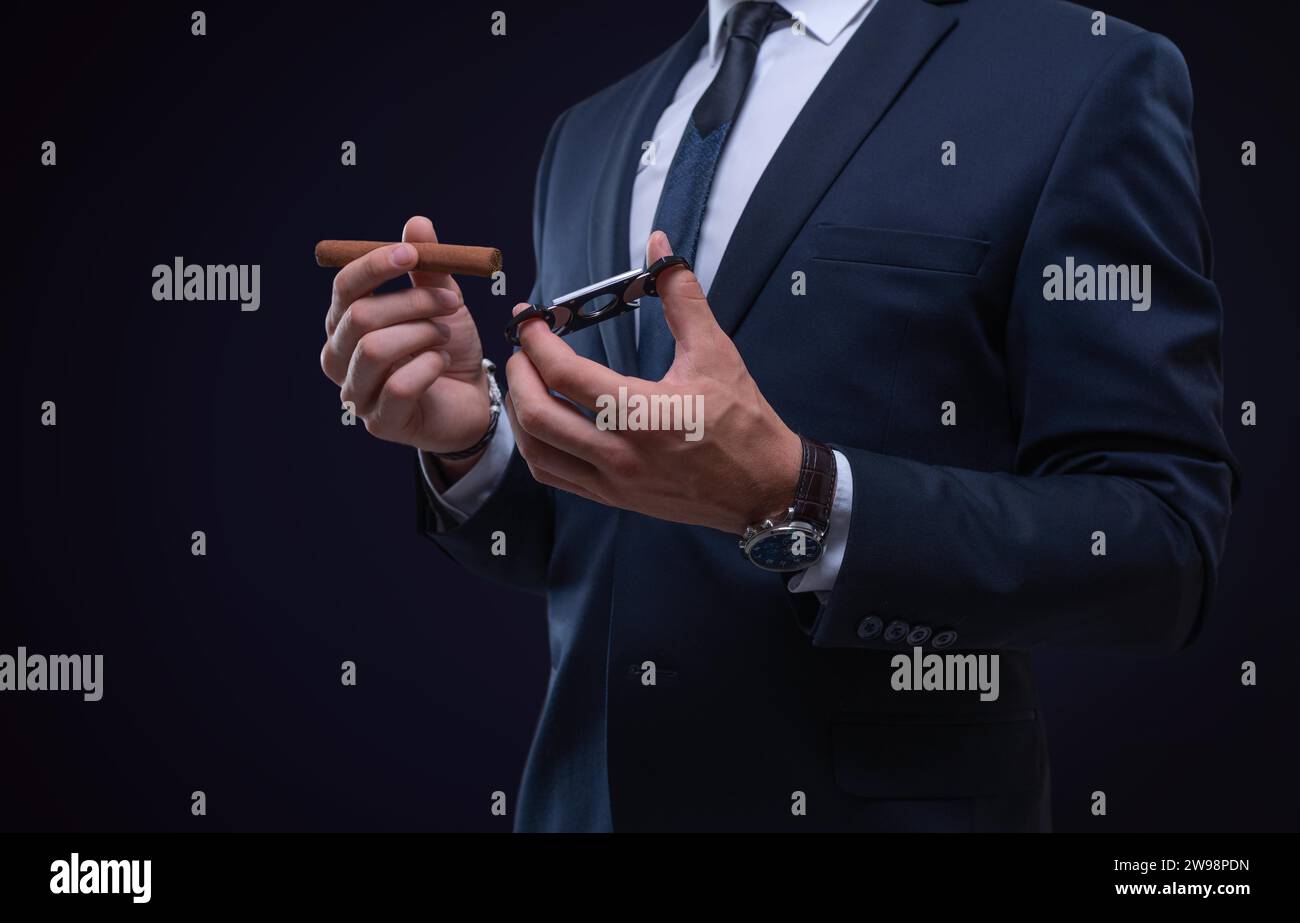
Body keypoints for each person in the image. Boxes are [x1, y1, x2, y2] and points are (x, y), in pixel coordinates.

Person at [318, 0, 1237, 831]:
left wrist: (802, 498)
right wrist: (474, 438)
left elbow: (1163, 543)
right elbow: (607, 533)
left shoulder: (1082, 74)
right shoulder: (589, 134)